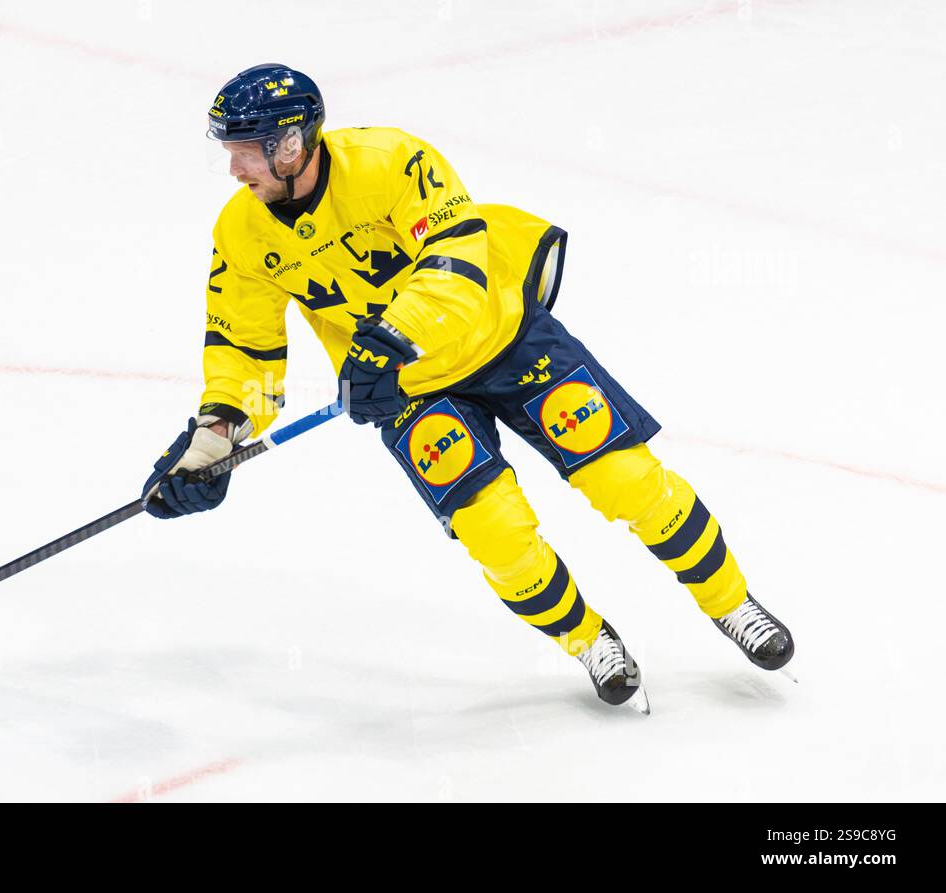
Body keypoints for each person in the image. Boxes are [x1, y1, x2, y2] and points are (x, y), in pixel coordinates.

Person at [141, 63, 794, 713]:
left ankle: (731, 602)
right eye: (227, 152)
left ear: (291, 143)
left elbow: (458, 262)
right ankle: (587, 639)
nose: (234, 170)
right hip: (407, 391)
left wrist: (390, 339)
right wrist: (217, 433)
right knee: (496, 534)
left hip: (504, 339)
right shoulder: (242, 231)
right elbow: (244, 347)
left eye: (245, 152)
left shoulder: (392, 160)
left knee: (627, 480)